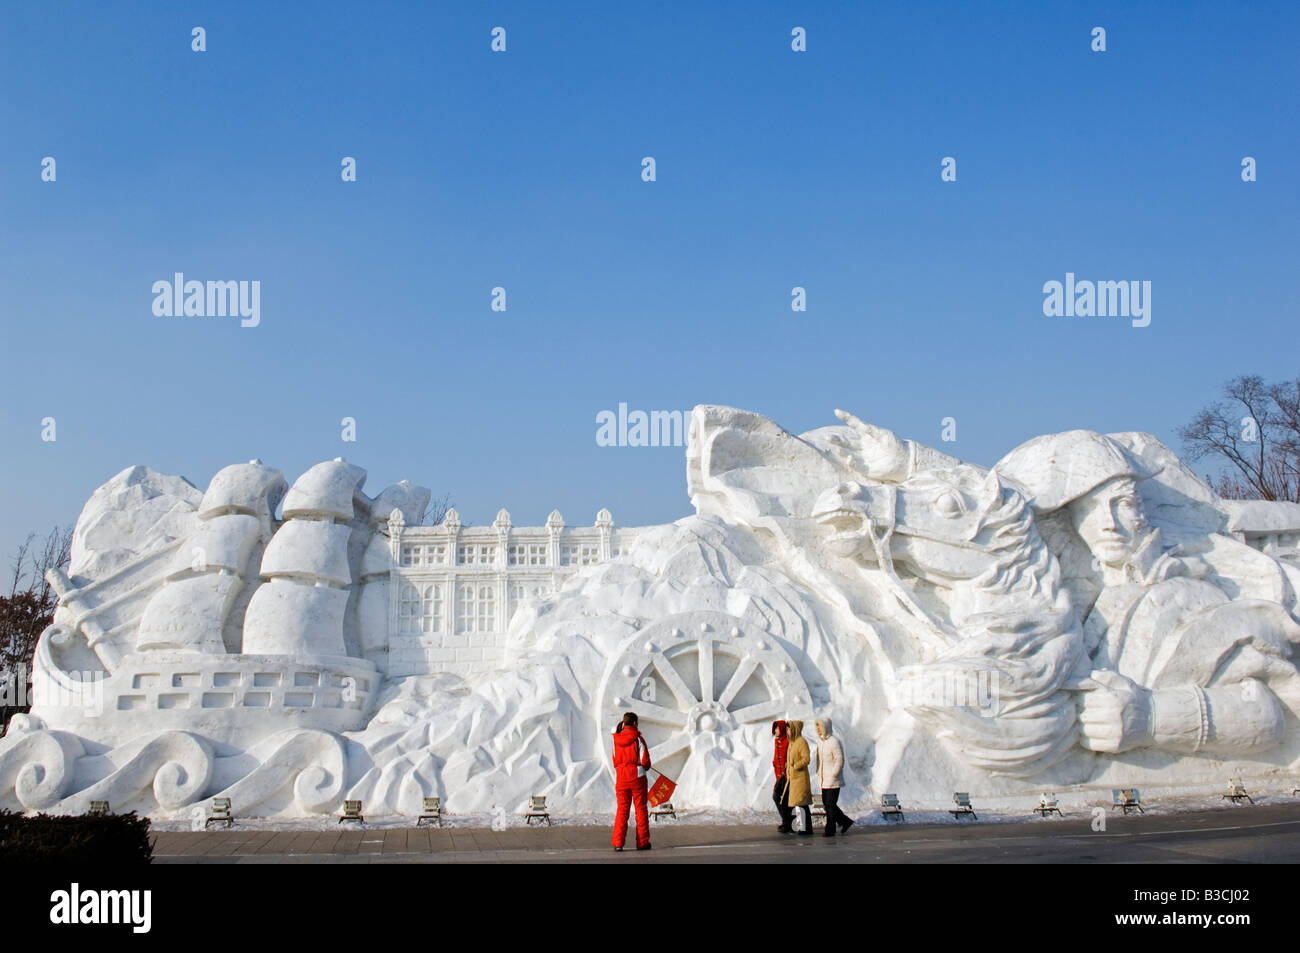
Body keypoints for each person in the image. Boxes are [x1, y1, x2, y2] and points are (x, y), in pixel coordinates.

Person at [611, 711, 652, 851]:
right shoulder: (638, 739)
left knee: (622, 810)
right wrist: (646, 766)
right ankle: (642, 843)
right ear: (634, 723)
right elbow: (645, 760)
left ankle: (618, 843)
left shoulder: (616, 740)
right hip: (637, 778)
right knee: (640, 809)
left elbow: (615, 761)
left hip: (621, 778)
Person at [814, 717, 853, 836]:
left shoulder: (834, 741)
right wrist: (819, 772)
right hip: (824, 779)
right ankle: (845, 821)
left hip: (833, 780)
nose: (818, 729)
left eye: (820, 727)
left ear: (825, 727)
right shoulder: (821, 742)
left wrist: (834, 774)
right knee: (827, 804)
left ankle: (830, 830)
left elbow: (839, 759)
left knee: (830, 805)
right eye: (817, 727)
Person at [784, 719, 813, 836]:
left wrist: (795, 766)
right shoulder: (792, 743)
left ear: (794, 729)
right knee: (798, 803)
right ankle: (803, 827)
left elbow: (806, 758)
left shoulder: (801, 742)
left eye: (789, 729)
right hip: (793, 779)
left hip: (800, 778)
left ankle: (806, 828)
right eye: (787, 729)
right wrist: (788, 768)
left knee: (802, 803)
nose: (787, 731)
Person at [771, 720, 793, 833]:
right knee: (777, 797)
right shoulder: (777, 741)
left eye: (777, 728)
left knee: (784, 800)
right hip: (779, 777)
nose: (775, 730)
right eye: (775, 728)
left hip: (786, 777)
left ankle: (787, 822)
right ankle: (787, 821)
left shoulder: (788, 741)